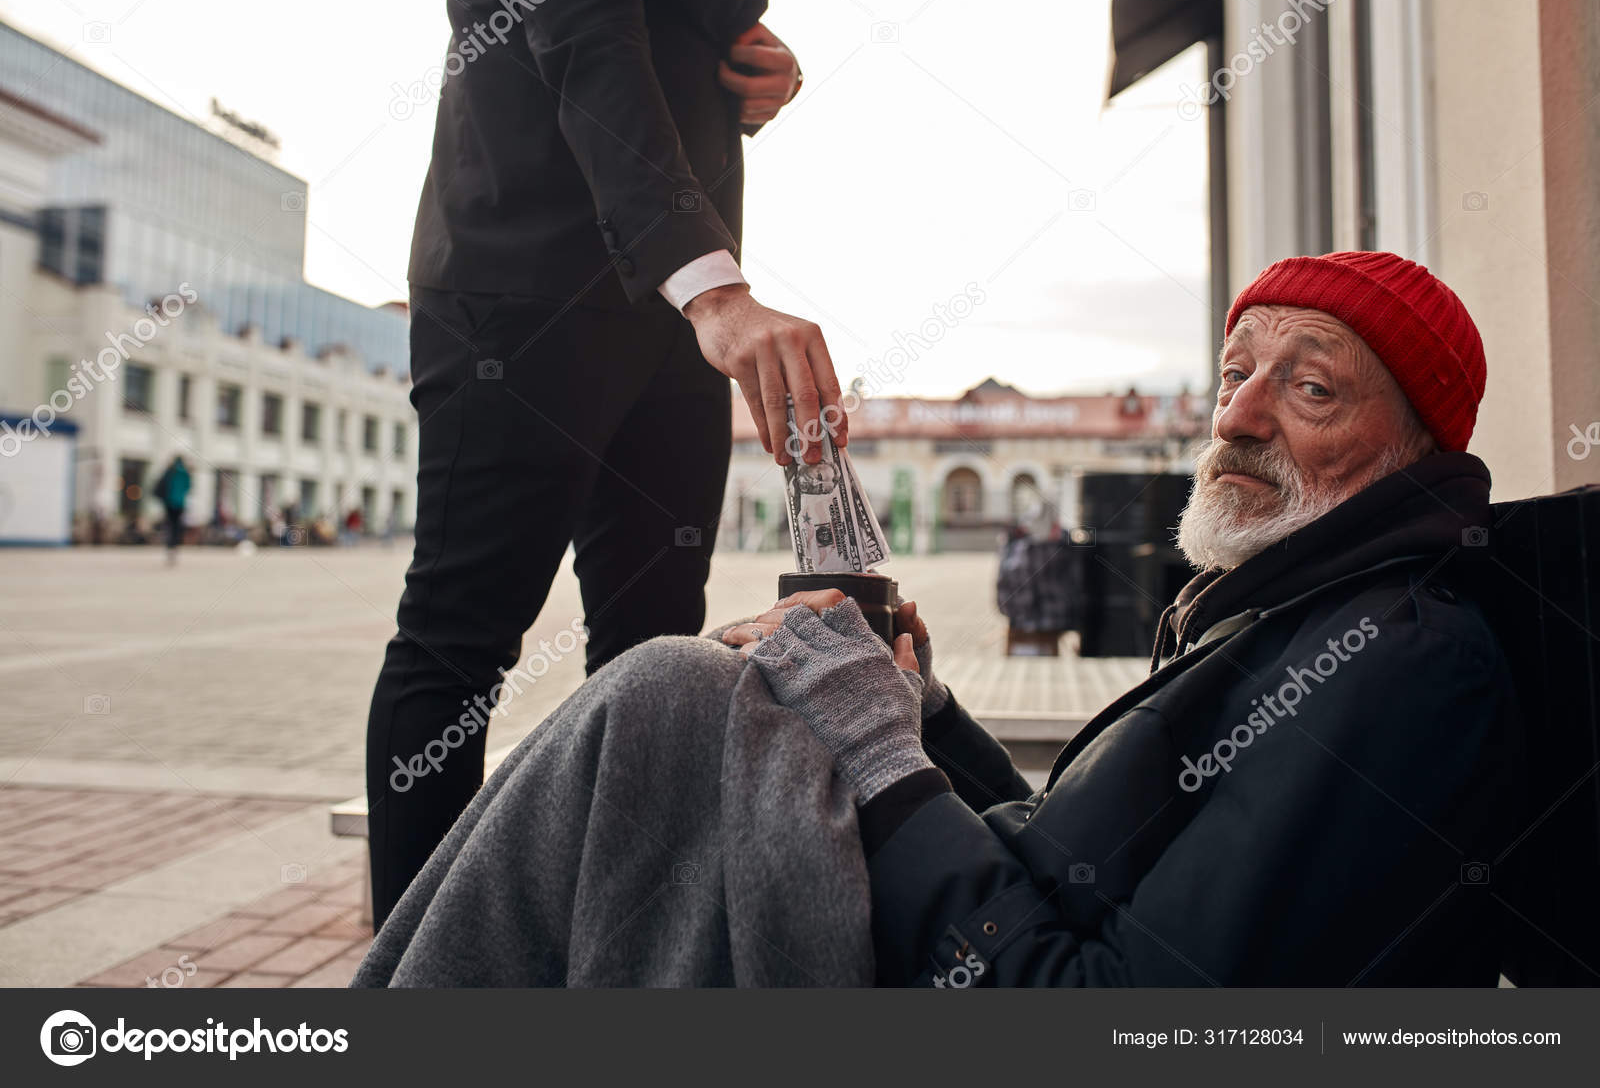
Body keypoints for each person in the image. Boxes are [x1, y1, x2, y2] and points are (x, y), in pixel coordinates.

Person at [352, 251, 1527, 988]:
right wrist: (924, 716)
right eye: (1234, 376)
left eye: (1309, 387)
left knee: (672, 702)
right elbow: (1074, 850)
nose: (1238, 418)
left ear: (1414, 448)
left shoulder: (1398, 660)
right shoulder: (1291, 604)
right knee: (685, 716)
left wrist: (879, 759)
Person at [365, 0, 849, 929]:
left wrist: (761, 76)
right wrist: (717, 291)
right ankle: (416, 978)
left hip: (669, 296)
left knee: (655, 650)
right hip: (524, 276)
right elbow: (584, 30)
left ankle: (621, 956)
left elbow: (675, 27)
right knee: (460, 639)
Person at [150, 455, 190, 566]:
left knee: (170, 525)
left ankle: (170, 546)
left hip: (169, 503)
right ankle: (174, 546)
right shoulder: (185, 473)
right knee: (177, 526)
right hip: (180, 504)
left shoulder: (170, 471)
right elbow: (188, 487)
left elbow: (162, 485)